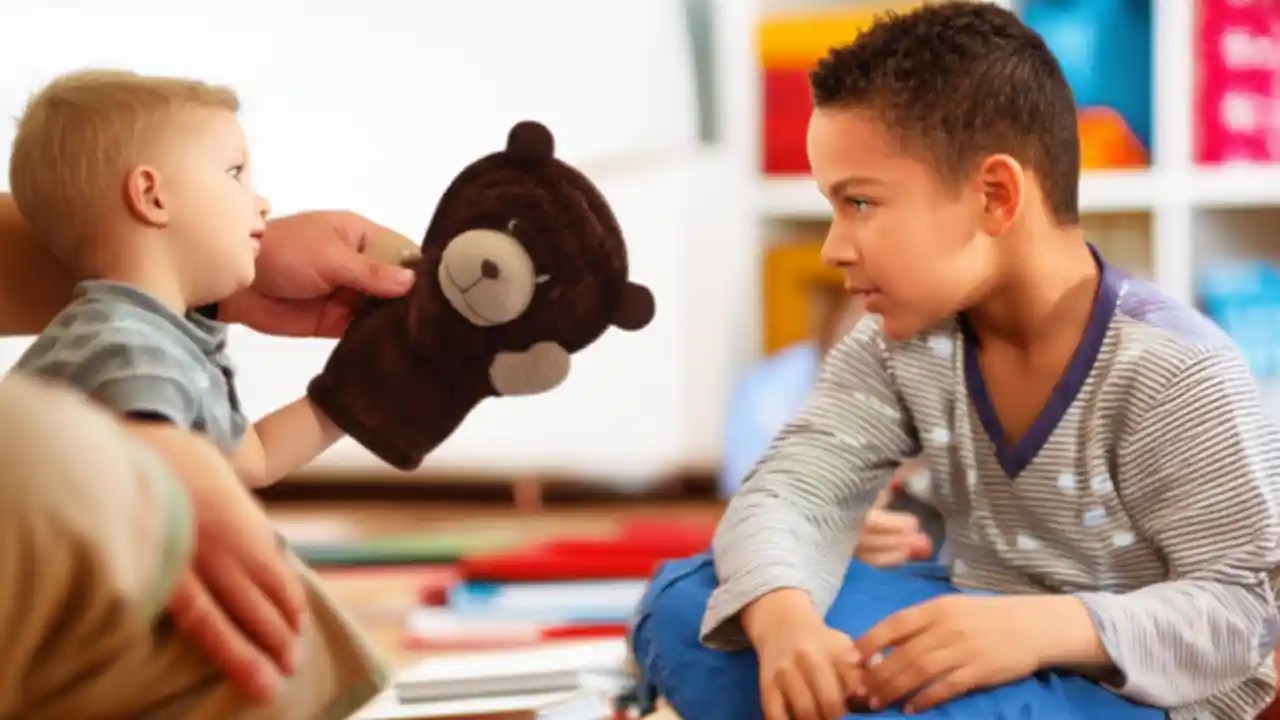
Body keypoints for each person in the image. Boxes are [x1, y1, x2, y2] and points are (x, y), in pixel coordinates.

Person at [647, 4, 1280, 720]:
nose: (833, 248)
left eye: (859, 203)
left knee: (947, 701)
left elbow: (1241, 616)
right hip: (963, 627)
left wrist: (1039, 629)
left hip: (1129, 687)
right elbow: (786, 493)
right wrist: (788, 626)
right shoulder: (902, 339)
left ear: (995, 196)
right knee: (690, 595)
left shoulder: (1178, 371)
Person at [0, 69, 422, 718]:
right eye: (234, 174)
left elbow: (246, 459)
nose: (263, 204)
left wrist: (358, 390)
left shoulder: (156, 335)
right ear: (151, 195)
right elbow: (162, 461)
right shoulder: (118, 342)